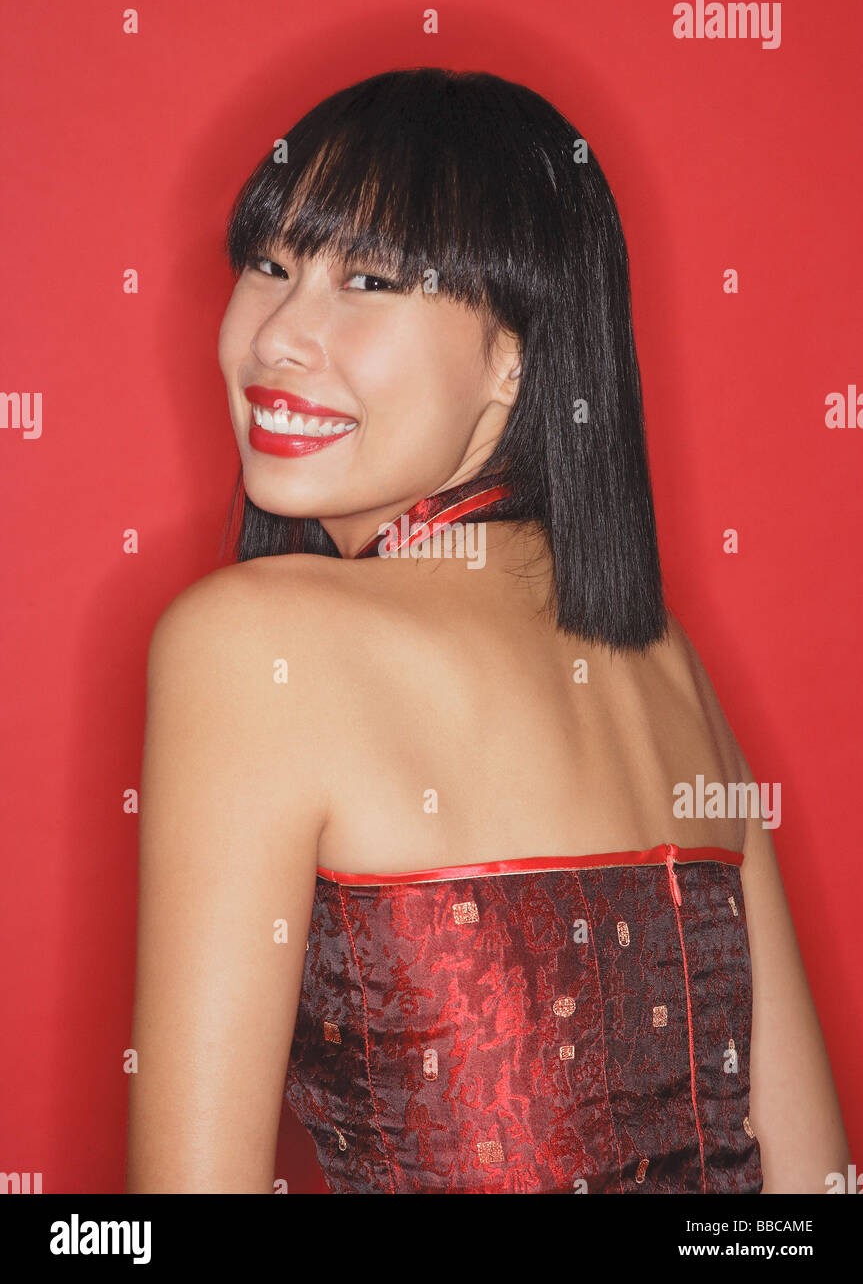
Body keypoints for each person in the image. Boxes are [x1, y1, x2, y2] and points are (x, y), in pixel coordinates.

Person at [126, 67, 848, 1194]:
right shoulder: (659, 658)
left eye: (367, 279)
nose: (277, 337)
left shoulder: (250, 646)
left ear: (514, 357)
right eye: (269, 265)